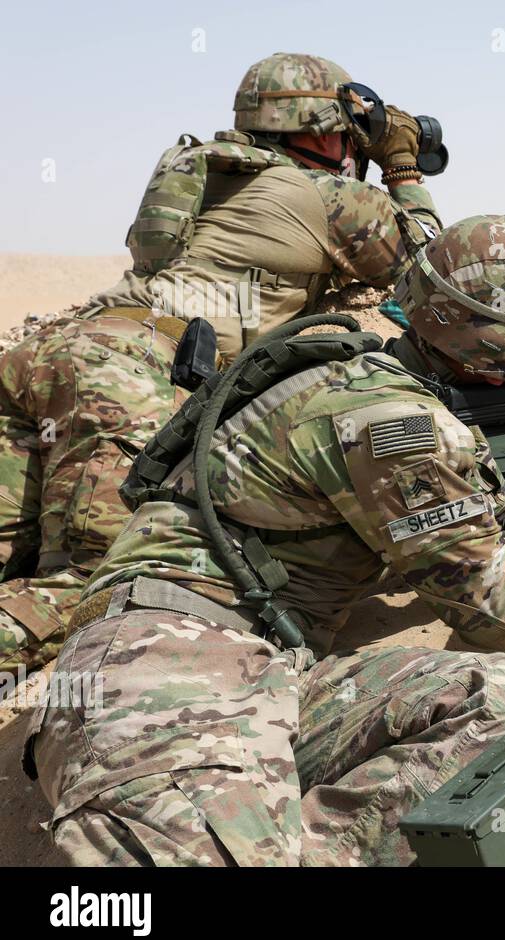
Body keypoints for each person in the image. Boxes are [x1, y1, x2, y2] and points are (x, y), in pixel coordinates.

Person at [26, 214, 505, 866]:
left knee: (501, 705)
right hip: (161, 685)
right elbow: (503, 610)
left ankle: (283, 842)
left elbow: (465, 531)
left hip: (258, 676)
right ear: (498, 358)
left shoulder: (356, 384)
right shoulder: (396, 422)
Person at [0, 52, 442, 679]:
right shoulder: (329, 198)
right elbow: (430, 269)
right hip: (130, 375)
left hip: (57, 353)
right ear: (320, 130)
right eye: (347, 130)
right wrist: (399, 164)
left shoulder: (213, 174)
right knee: (94, 579)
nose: (352, 143)